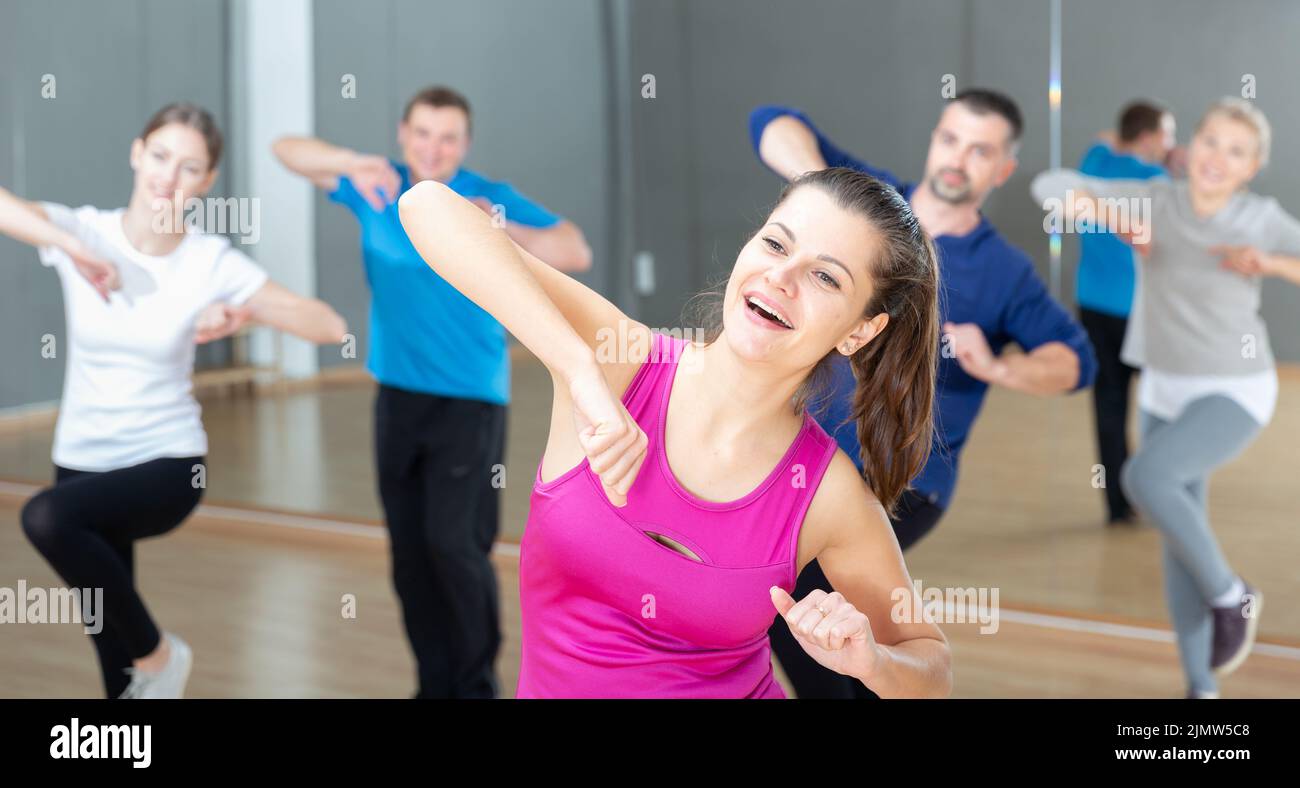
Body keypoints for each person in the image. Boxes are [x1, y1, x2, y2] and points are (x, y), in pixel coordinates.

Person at [398, 166, 952, 698]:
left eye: (825, 277)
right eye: (776, 245)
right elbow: (425, 205)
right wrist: (578, 370)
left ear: (861, 331)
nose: (780, 279)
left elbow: (930, 666)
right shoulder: (621, 362)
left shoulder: (826, 494)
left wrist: (873, 662)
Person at [750, 88, 1096, 698]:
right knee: (805, 616)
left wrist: (1000, 368)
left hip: (904, 487)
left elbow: (1076, 361)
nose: (958, 159)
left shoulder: (1005, 272)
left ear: (1002, 169)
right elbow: (771, 119)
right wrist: (818, 194)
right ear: (935, 137)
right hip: (809, 469)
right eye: (951, 139)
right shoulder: (871, 209)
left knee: (801, 607)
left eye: (981, 150)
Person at [5, 102, 348, 699]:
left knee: (46, 517)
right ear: (137, 153)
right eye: (160, 156)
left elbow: (327, 325)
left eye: (189, 167)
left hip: (166, 464)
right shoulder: (84, 231)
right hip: (82, 459)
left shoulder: (209, 261)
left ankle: (164, 657)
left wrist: (246, 313)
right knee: (114, 647)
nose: (168, 176)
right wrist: (70, 245)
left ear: (207, 182)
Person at [273, 85, 592, 698]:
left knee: (455, 546)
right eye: (422, 134)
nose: (434, 148)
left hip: (470, 400)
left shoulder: (486, 195)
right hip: (396, 397)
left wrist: (495, 224)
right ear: (403, 134)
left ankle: (476, 688)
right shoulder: (378, 185)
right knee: (410, 555)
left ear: (464, 144)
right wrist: (347, 162)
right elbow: (285, 149)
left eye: (448, 138)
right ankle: (434, 684)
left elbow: (574, 249)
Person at [1031, 97, 1300, 698]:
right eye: (1211, 142)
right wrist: (1097, 210)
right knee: (1181, 541)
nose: (1217, 158)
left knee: (1145, 480)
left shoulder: (1260, 217)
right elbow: (1050, 182)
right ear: (1190, 146)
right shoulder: (1155, 200)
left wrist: (1273, 263)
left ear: (1251, 166)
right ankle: (1201, 687)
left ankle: (1233, 594)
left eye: (1235, 151)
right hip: (1163, 387)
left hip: (1236, 387)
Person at [1075, 101, 1175, 525]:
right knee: (1159, 407)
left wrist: (1117, 141)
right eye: (1168, 135)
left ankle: (1118, 506)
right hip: (1142, 313)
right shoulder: (1157, 180)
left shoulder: (1092, 164)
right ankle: (1158, 495)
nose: (1172, 145)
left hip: (1093, 307)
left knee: (1109, 406)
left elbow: (1102, 140)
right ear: (1150, 137)